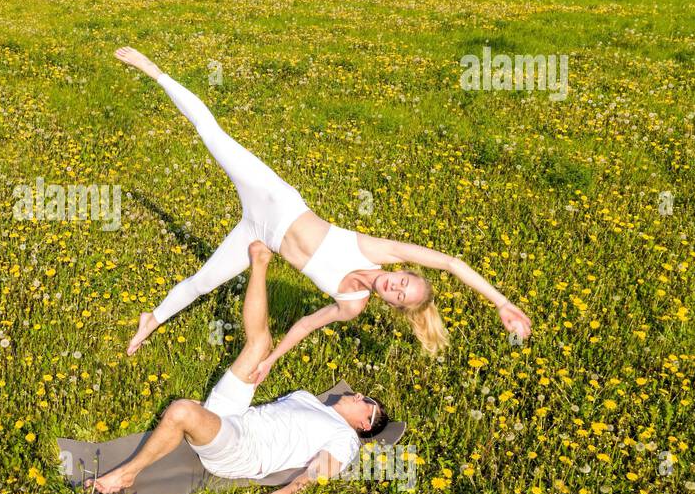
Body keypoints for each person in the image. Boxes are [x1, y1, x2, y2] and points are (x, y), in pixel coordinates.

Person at [116, 46, 532, 383]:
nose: (395, 285)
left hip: (257, 234)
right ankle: (154, 70)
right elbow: (451, 262)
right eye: (404, 280)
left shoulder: (352, 303)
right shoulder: (375, 252)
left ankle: (150, 319)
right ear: (403, 272)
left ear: (391, 304)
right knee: (212, 134)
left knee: (203, 282)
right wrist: (501, 303)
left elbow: (303, 327)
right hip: (273, 198)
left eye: (398, 294)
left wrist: (270, 361)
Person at [89, 240, 387, 494]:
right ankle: (260, 261)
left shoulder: (345, 438)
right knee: (259, 345)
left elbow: (319, 472)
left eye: (368, 404)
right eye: (365, 395)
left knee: (180, 410)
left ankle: (127, 473)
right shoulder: (309, 398)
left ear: (364, 425)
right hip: (236, 418)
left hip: (243, 450)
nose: (361, 396)